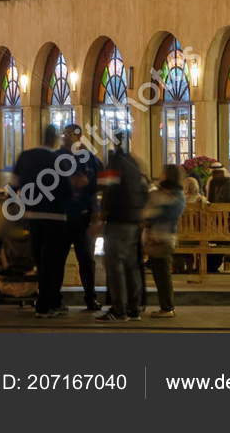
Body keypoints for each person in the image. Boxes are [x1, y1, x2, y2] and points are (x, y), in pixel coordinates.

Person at [12, 124, 70, 318]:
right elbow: (67, 191)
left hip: (32, 217)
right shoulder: (58, 160)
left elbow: (13, 186)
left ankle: (44, 303)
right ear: (55, 140)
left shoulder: (25, 156)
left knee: (39, 260)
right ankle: (48, 304)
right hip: (55, 218)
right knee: (53, 263)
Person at [96, 135, 147, 322]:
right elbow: (144, 188)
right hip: (134, 221)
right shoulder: (134, 162)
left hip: (118, 220)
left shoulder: (115, 162)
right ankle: (134, 308)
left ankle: (119, 309)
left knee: (114, 265)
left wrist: (102, 216)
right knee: (131, 265)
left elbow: (106, 189)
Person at [59, 124, 103, 312]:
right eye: (66, 134)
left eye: (69, 135)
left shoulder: (87, 159)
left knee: (82, 260)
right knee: (70, 259)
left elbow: (100, 184)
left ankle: (89, 298)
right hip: (70, 215)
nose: (66, 138)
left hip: (74, 216)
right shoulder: (89, 159)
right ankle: (87, 298)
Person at [144, 165, 184, 318]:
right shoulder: (165, 192)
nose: (160, 175)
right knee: (159, 273)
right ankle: (166, 306)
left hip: (164, 237)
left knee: (162, 274)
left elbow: (165, 214)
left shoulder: (175, 195)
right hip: (157, 236)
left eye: (163, 173)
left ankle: (167, 307)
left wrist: (151, 215)